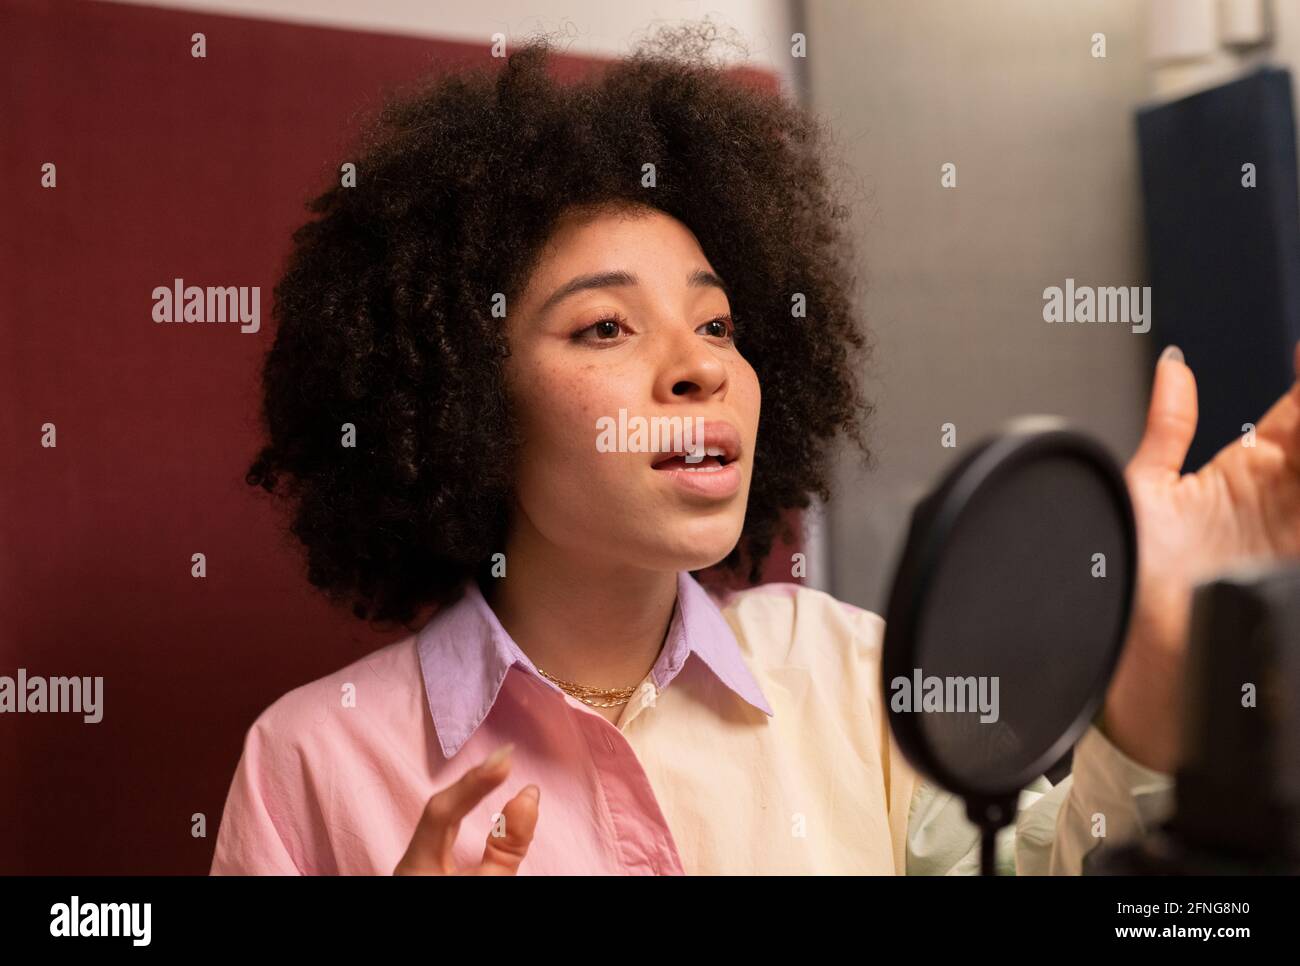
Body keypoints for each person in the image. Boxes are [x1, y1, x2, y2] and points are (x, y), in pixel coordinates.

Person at [211, 24, 1300, 875]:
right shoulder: (311, 759)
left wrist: (1163, 687)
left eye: (720, 325)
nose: (702, 369)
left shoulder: (852, 673)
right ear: (459, 398)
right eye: (604, 326)